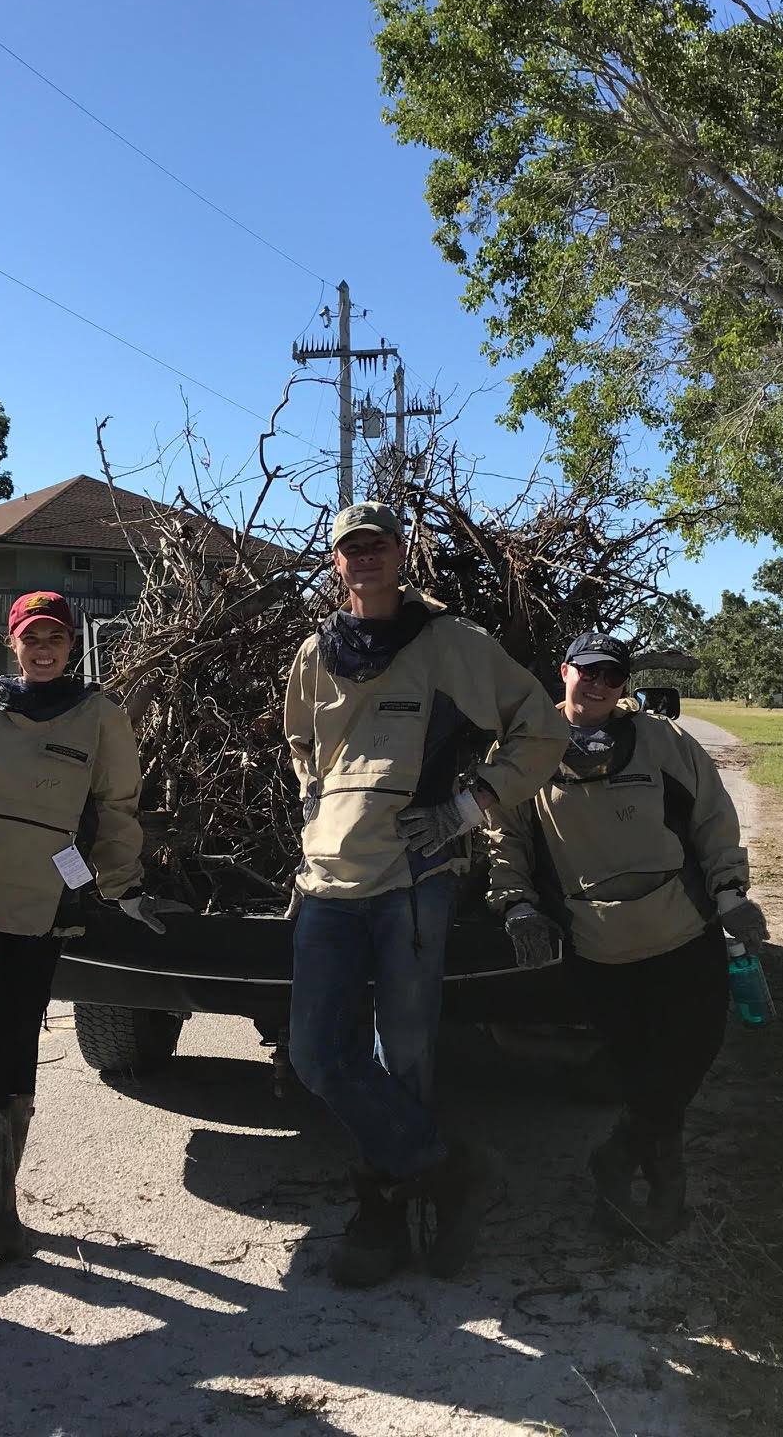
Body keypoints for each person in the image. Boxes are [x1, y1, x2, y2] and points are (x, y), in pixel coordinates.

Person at [283, 501, 570, 1287]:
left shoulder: (449, 645)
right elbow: (300, 741)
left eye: (378, 544)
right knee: (315, 1053)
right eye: (352, 548)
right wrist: (317, 804)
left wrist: (465, 808)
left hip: (413, 882)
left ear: (401, 554)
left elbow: (541, 729)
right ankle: (454, 1174)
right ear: (335, 563)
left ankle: (384, 1218)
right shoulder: (315, 651)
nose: (365, 557)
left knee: (403, 1055)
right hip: (328, 881)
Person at [481, 632, 767, 1240]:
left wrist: (731, 891)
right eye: (589, 672)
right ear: (564, 672)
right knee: (640, 1068)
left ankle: (619, 1156)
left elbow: (713, 816)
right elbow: (502, 835)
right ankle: (664, 1183)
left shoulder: (663, 740)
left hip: (683, 933)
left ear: (625, 683)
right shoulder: (528, 748)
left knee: (691, 1053)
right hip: (599, 945)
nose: (601, 684)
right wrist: (517, 907)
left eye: (613, 675)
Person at [0, 590, 175, 1273]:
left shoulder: (99, 715)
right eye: (31, 638)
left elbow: (117, 806)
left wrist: (120, 888)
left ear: (71, 645)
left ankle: (2, 1211)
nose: (43, 650)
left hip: (41, 903)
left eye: (55, 639)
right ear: (13, 642)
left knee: (14, 1044)